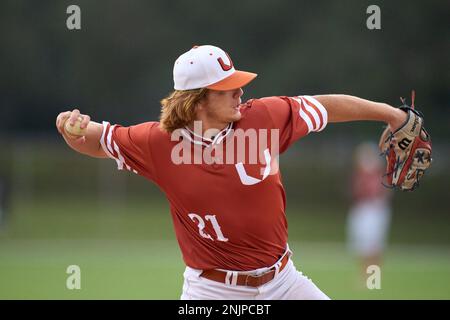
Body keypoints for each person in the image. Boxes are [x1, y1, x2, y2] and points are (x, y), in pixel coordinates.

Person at [55, 45, 407, 299]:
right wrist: (67, 126)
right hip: (212, 291)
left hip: (284, 283)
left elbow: (327, 107)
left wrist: (392, 115)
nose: (241, 91)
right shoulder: (158, 143)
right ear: (197, 99)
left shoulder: (264, 118)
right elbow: (98, 141)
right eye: (227, 88)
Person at [347, 142, 392, 279]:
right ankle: (365, 274)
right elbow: (355, 192)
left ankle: (373, 279)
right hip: (361, 209)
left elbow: (380, 194)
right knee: (361, 245)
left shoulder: (379, 176)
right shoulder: (359, 176)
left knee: (373, 245)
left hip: (374, 210)